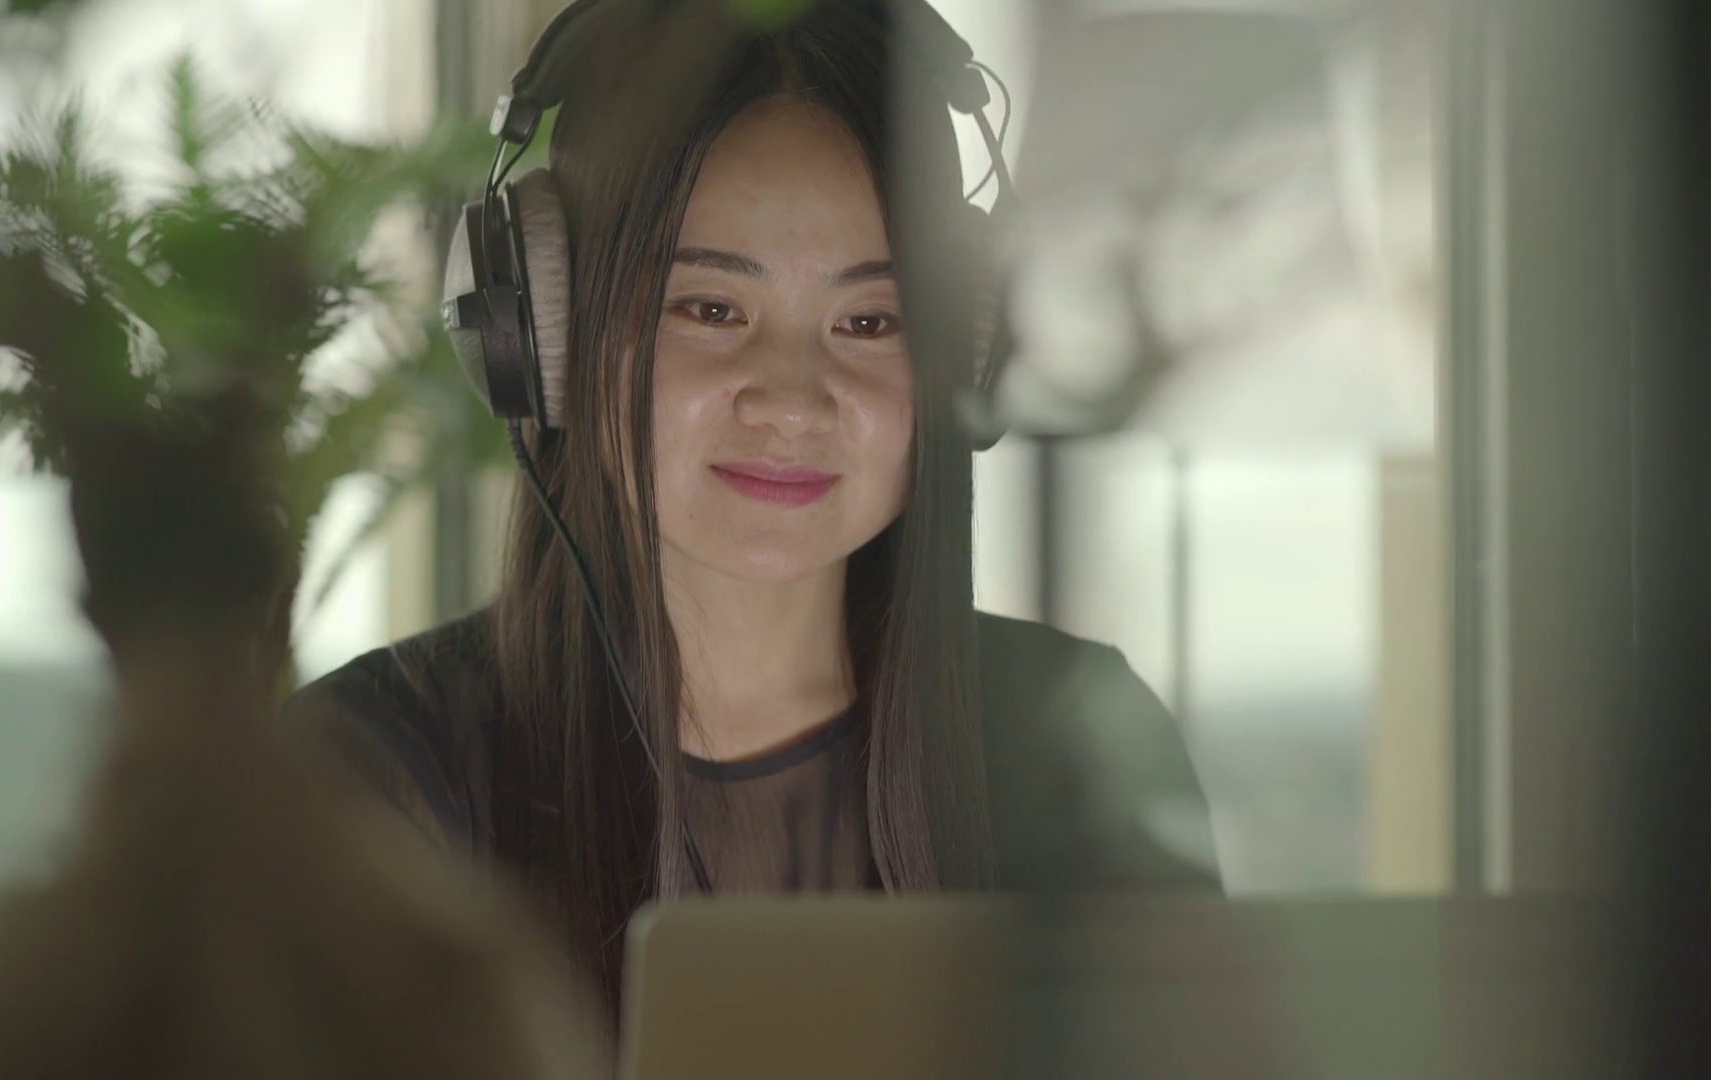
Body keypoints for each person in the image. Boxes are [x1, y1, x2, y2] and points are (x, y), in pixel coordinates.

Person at [289, 0, 1218, 1018]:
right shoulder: (369, 776)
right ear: (548, 328)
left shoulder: (1074, 744)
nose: (793, 401)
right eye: (711, 309)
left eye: (870, 321)